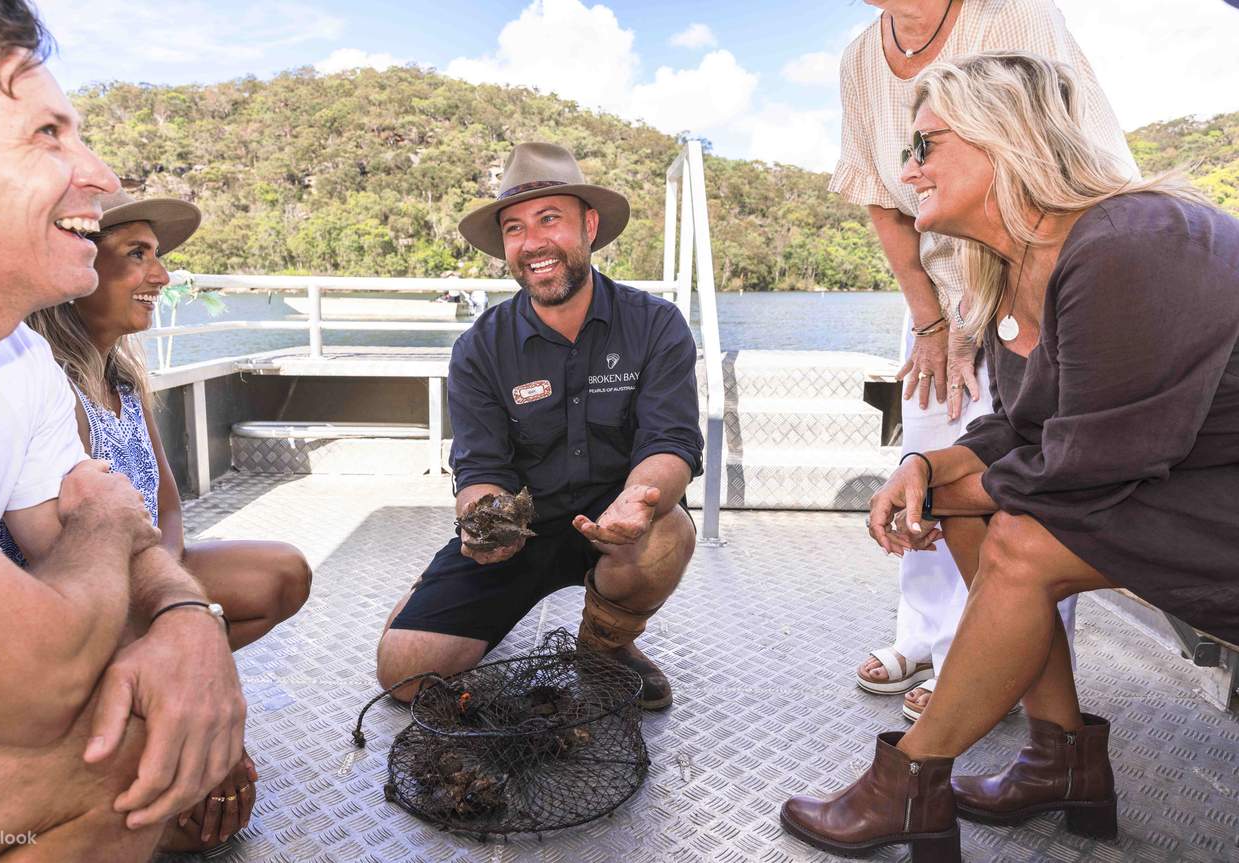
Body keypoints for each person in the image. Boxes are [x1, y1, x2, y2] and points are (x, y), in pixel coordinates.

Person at [781, 51, 1239, 861]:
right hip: (1180, 475)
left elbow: (1092, 458)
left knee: (1021, 538)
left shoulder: (1131, 241)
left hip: (1209, 484)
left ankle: (909, 784)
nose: (907, 172)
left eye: (924, 145)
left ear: (1005, 139)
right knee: (970, 500)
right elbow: (1029, 432)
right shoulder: (1010, 273)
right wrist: (926, 469)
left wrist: (971, 475)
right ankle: (1058, 758)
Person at [0, 2, 249, 860]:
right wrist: (109, 528)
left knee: (136, 740)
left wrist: (190, 622)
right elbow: (34, 680)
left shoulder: (12, 355)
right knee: (125, 752)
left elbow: (116, 521)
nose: (100, 174)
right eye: (47, 133)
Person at [835, 0, 1137, 722]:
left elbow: (1047, 159)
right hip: (947, 289)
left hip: (1041, 271)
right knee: (931, 465)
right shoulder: (857, 58)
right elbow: (883, 196)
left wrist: (1007, 299)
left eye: (923, 149)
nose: (911, 167)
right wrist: (933, 319)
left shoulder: (1016, 15)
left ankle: (1001, 660)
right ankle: (932, 636)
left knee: (1022, 482)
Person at [0, 188, 313, 850]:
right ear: (77, 270)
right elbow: (66, 555)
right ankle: (136, 726)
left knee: (281, 573)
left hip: (140, 573)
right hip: (65, 608)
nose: (162, 276)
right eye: (136, 255)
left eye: (158, 257)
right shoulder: (49, 386)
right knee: (186, 829)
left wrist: (182, 613)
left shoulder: (124, 377)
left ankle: (165, 697)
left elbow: (168, 506)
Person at [376, 142, 703, 710]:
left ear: (590, 226)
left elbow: (670, 442)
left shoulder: (655, 325)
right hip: (517, 533)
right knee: (404, 677)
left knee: (668, 534)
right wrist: (482, 525)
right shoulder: (479, 348)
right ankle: (428, 595)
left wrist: (639, 502)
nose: (533, 243)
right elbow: (479, 468)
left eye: (550, 219)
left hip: (611, 526)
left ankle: (603, 648)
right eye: (514, 228)